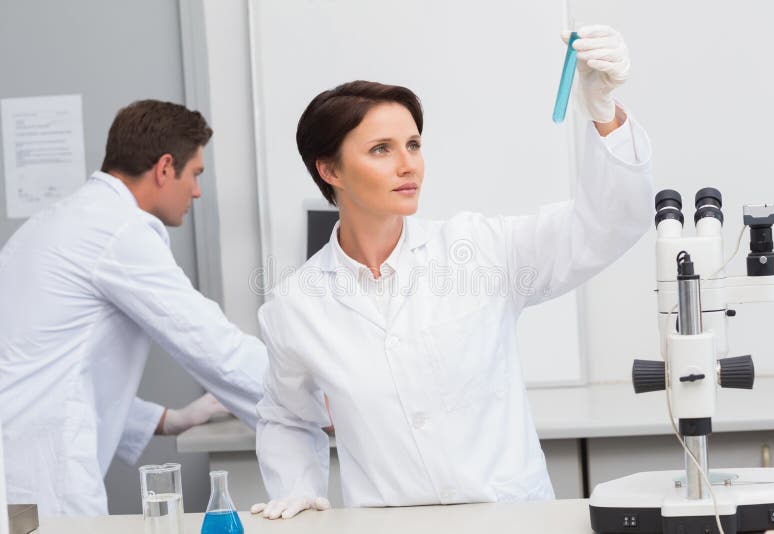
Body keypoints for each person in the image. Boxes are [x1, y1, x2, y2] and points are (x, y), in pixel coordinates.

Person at [252, 25, 652, 519]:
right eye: (382, 149)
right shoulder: (297, 305)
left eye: (414, 145)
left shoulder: (481, 250)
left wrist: (604, 114)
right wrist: (297, 487)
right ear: (330, 171)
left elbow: (606, 227)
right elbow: (286, 418)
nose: (408, 165)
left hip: (512, 522)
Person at [0, 100, 269, 516]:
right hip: (40, 473)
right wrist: (311, 400)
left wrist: (168, 419)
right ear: (165, 168)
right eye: (195, 174)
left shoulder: (56, 222)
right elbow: (207, 339)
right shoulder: (119, 230)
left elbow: (48, 366)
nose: (196, 191)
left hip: (19, 461)